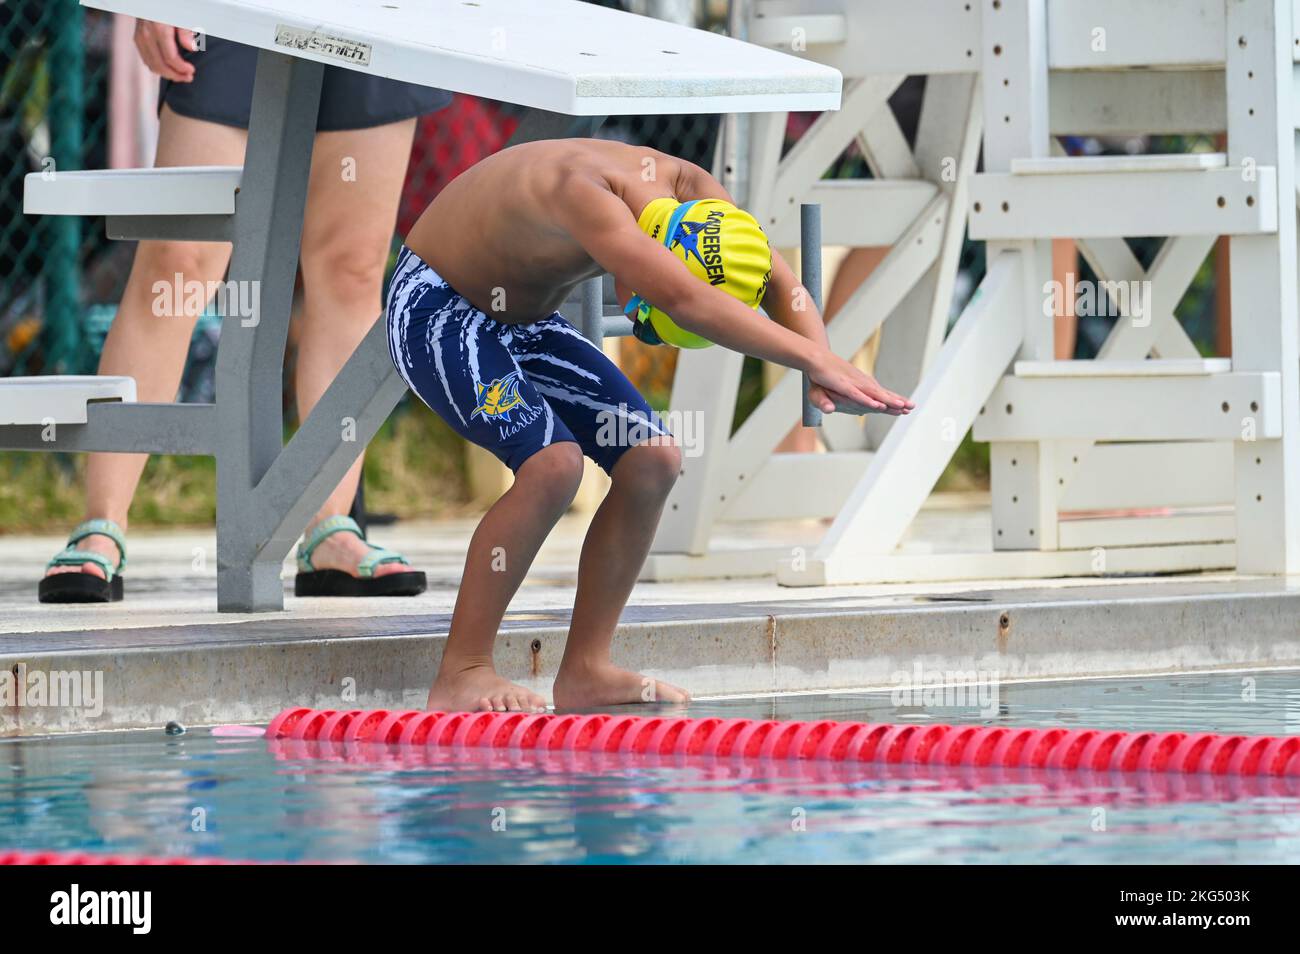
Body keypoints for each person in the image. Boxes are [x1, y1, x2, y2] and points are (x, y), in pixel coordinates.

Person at [387, 138, 915, 712]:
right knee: (552, 467)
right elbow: (684, 299)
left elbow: (775, 282)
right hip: (436, 306)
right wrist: (815, 361)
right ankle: (462, 670)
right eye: (644, 310)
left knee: (652, 458)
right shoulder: (584, 194)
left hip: (527, 321)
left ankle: (586, 669)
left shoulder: (698, 195)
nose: (637, 317)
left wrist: (821, 364)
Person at [40, 21, 446, 603]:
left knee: (352, 268)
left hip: (375, 11)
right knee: (179, 260)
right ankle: (101, 525)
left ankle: (329, 528)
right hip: (227, 14)